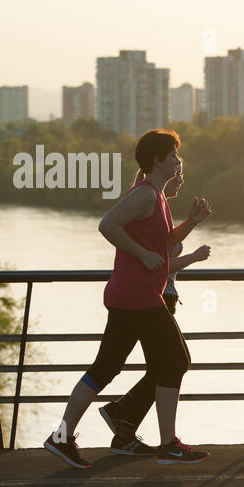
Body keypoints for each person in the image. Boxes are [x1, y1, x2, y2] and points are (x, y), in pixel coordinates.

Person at [43, 129, 210, 468]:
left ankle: (61, 437)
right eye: (173, 156)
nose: (178, 161)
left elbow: (163, 243)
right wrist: (142, 255)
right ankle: (168, 445)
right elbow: (107, 225)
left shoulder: (157, 197)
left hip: (132, 296)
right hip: (138, 297)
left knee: (106, 368)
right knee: (176, 360)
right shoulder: (145, 195)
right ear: (157, 161)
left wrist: (191, 222)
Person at [98, 161, 212, 455]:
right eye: (177, 174)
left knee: (162, 365)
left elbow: (160, 251)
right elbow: (159, 260)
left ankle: (124, 426)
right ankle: (133, 421)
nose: (180, 180)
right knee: (169, 363)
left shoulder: (159, 209)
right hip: (155, 297)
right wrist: (194, 258)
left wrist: (192, 222)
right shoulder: (147, 204)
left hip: (154, 296)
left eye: (183, 175)